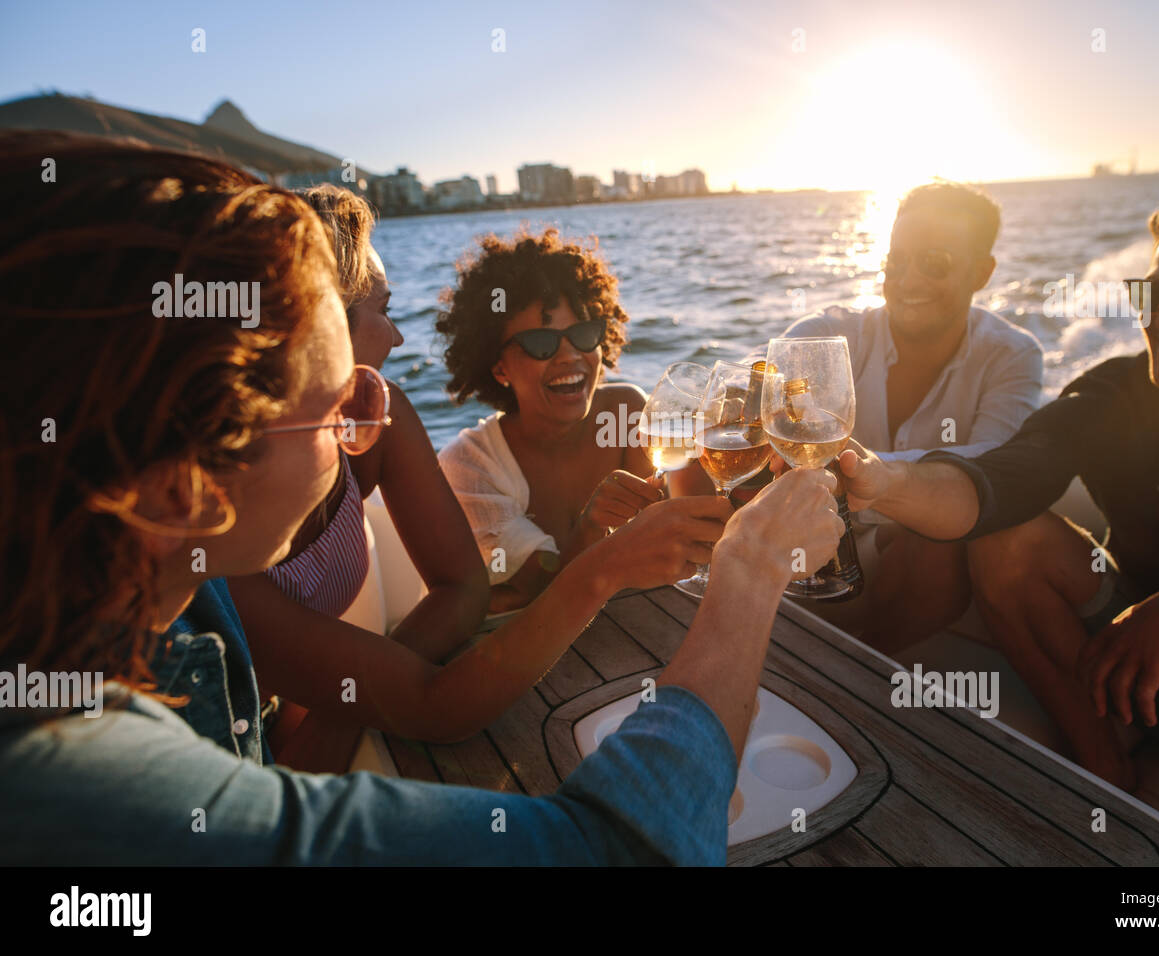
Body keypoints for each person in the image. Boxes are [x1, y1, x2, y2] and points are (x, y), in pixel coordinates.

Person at [0, 132, 845, 865]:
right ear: (188, 485)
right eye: (343, 409)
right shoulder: (82, 792)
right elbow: (623, 853)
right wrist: (753, 565)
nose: (376, 418)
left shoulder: (163, 602)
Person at [831, 173, 1159, 865]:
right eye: (1151, 292)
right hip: (1148, 672)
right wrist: (876, 477)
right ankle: (1109, 780)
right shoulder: (1117, 396)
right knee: (1007, 539)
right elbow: (1005, 478)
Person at [225, 184, 490, 769]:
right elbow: (433, 706)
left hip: (290, 714)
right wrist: (598, 576)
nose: (397, 336)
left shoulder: (370, 421)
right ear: (324, 329)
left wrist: (351, 697)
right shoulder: (217, 517)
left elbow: (465, 586)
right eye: (385, 311)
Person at [720, 182, 1043, 649]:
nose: (909, 280)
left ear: (982, 272)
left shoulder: (1011, 355)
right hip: (804, 548)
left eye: (935, 262)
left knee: (939, 543)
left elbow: (993, 461)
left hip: (915, 567)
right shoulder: (830, 333)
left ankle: (858, 677)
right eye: (896, 261)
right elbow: (754, 377)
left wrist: (874, 472)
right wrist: (745, 395)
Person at [437, 229, 664, 612]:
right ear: (499, 367)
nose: (569, 356)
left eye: (583, 333)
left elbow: (655, 546)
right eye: (541, 343)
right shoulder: (470, 466)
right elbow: (544, 590)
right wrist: (590, 528)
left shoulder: (627, 413)